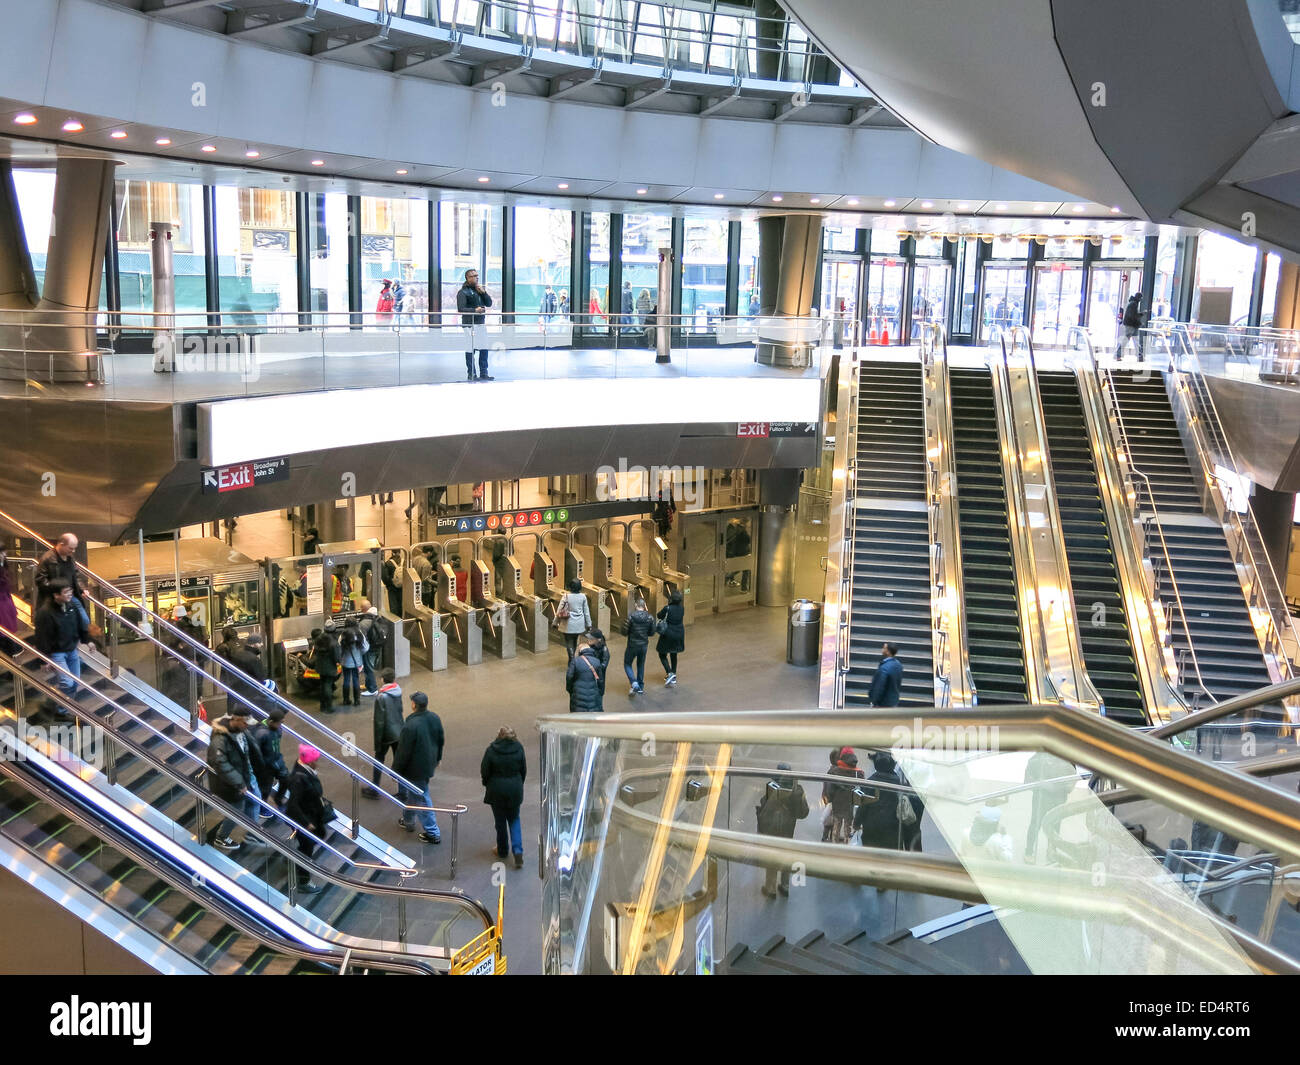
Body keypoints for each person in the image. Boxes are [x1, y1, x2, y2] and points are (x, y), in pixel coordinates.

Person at [204, 705, 263, 852]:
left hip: (243, 776)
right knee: (236, 810)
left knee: (255, 799)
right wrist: (239, 783)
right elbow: (220, 763)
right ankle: (221, 837)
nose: (246, 727)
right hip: (228, 784)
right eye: (245, 723)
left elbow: (249, 751)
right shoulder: (220, 739)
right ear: (236, 720)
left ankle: (252, 832)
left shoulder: (241, 731)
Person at [393, 691, 444, 844]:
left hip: (415, 769)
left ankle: (433, 832)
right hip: (429, 764)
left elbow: (403, 751)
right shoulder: (434, 718)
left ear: (414, 705)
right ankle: (408, 820)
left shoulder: (410, 725)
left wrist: (395, 769)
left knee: (421, 797)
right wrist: (438, 758)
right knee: (414, 795)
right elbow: (440, 740)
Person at [33, 581, 88, 719]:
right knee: (67, 682)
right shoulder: (45, 612)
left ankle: (57, 707)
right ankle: (59, 709)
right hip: (57, 653)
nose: (70, 594)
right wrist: (44, 659)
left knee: (75, 682)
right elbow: (41, 637)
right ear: (56, 595)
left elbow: (78, 625)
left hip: (71, 649)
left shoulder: (70, 606)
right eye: (66, 592)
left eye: (70, 591)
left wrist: (86, 640)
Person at [756, 764, 809, 898]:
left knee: (772, 858)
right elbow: (804, 812)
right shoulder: (797, 789)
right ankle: (785, 886)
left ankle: (771, 889)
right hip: (788, 829)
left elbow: (765, 805)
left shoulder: (773, 787)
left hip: (772, 828)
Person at [481, 725, 527, 868]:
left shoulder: (491, 750)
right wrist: (519, 783)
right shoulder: (519, 748)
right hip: (515, 789)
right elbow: (523, 770)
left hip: (497, 790)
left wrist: (487, 783)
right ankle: (518, 852)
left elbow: (485, 771)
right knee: (514, 819)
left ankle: (502, 850)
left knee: (500, 822)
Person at [284, 744, 327, 894]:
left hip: (312, 815)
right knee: (307, 846)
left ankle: (297, 861)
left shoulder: (306, 771)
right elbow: (293, 805)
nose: (317, 762)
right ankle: (303, 880)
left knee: (315, 839)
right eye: (315, 760)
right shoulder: (298, 778)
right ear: (309, 761)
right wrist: (306, 823)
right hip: (304, 819)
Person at [363, 669, 403, 798]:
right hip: (399, 730)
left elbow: (379, 721)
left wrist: (378, 742)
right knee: (399, 760)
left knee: (379, 759)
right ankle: (403, 791)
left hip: (387, 733)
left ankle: (375, 788)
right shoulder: (398, 691)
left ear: (383, 680)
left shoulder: (381, 696)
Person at [854, 751, 905, 852]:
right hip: (893, 830)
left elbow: (863, 806)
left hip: (872, 829)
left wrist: (856, 823)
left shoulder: (870, 782)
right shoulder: (899, 784)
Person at [458, 267, 494, 381]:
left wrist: (484, 293)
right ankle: (472, 374)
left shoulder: (479, 291)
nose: (476, 277)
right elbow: (461, 309)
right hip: (469, 325)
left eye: (477, 275)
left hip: (480, 324)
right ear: (467, 278)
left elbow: (489, 303)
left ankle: (484, 373)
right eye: (473, 276)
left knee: (484, 348)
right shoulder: (462, 292)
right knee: (470, 349)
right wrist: (475, 310)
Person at [251, 706, 291, 809]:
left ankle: (278, 798)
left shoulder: (278, 729)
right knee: (265, 789)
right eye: (279, 723)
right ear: (271, 721)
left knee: (286, 779)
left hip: (277, 760)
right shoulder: (260, 733)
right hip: (265, 766)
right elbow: (255, 753)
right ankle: (262, 806)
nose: (280, 725)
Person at [822, 746, 863, 844]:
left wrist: (829, 800)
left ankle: (834, 845)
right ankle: (846, 844)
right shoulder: (859, 773)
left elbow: (830, 790)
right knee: (848, 827)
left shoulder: (835, 771)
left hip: (837, 804)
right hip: (850, 805)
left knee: (836, 824)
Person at [34, 533, 83, 608]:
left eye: (74, 548)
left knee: (83, 618)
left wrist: (82, 589)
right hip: (54, 599)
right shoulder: (47, 559)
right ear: (61, 544)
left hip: (70, 597)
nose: (73, 551)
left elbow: (76, 575)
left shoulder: (70, 558)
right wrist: (57, 592)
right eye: (70, 548)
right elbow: (40, 580)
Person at [566, 631, 606, 712]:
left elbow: (569, 677)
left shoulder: (576, 661)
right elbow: (600, 680)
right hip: (593, 695)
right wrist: (600, 692)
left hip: (578, 696)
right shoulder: (596, 661)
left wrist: (570, 690)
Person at [622, 596, 655, 695]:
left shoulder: (631, 616)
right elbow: (652, 632)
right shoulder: (650, 617)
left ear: (636, 605)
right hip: (644, 645)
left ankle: (633, 682)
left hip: (632, 644)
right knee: (641, 664)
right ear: (644, 606)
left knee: (627, 663)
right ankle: (640, 686)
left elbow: (624, 631)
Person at [557, 577, 592, 663]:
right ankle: (573, 659)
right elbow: (586, 612)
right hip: (579, 624)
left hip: (568, 624)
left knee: (569, 642)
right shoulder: (583, 597)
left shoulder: (566, 596)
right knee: (575, 640)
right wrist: (589, 624)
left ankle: (572, 659)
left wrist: (555, 622)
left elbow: (559, 610)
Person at [655, 589, 685, 687]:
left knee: (662, 653)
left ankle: (669, 673)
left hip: (668, 633)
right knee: (674, 654)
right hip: (679, 633)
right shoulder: (682, 608)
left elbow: (659, 615)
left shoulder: (667, 608)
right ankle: (674, 675)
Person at [356, 599, 384, 696]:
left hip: (368, 649)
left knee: (368, 668)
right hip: (376, 646)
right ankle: (368, 685)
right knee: (370, 667)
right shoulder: (376, 617)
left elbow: (361, 639)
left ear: (363, 609)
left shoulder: (363, 623)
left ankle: (372, 689)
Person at [308, 631, 339, 714]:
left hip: (320, 666)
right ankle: (329, 707)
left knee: (322, 685)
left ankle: (322, 706)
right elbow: (336, 657)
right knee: (328, 685)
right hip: (330, 666)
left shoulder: (318, 640)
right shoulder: (333, 642)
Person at [338, 622, 367, 707]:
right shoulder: (359, 634)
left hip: (345, 661)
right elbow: (365, 647)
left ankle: (346, 700)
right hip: (356, 661)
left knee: (346, 680)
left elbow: (339, 647)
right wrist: (359, 653)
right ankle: (357, 700)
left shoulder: (342, 635)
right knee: (356, 679)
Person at [0, 547, 19, 655]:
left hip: (6, 601)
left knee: (8, 632)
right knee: (4, 632)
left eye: (3, 552)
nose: (3, 555)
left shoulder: (4, 566)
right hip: (2, 603)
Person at [1119, 293, 1145, 361]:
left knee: (1134, 341)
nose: (1141, 300)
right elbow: (1132, 316)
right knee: (1129, 340)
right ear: (1139, 298)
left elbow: (1133, 315)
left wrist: (1141, 314)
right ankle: (1118, 355)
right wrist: (1139, 322)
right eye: (1141, 298)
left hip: (1132, 325)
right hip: (1131, 325)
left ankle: (1139, 356)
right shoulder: (1133, 304)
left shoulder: (1133, 303)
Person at [381, 550, 403, 616]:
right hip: (403, 587)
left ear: (392, 553)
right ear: (400, 552)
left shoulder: (388, 563)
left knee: (393, 606)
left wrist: (390, 585)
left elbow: (385, 577)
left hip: (392, 588)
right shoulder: (404, 562)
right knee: (401, 604)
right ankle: (402, 620)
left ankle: (395, 621)